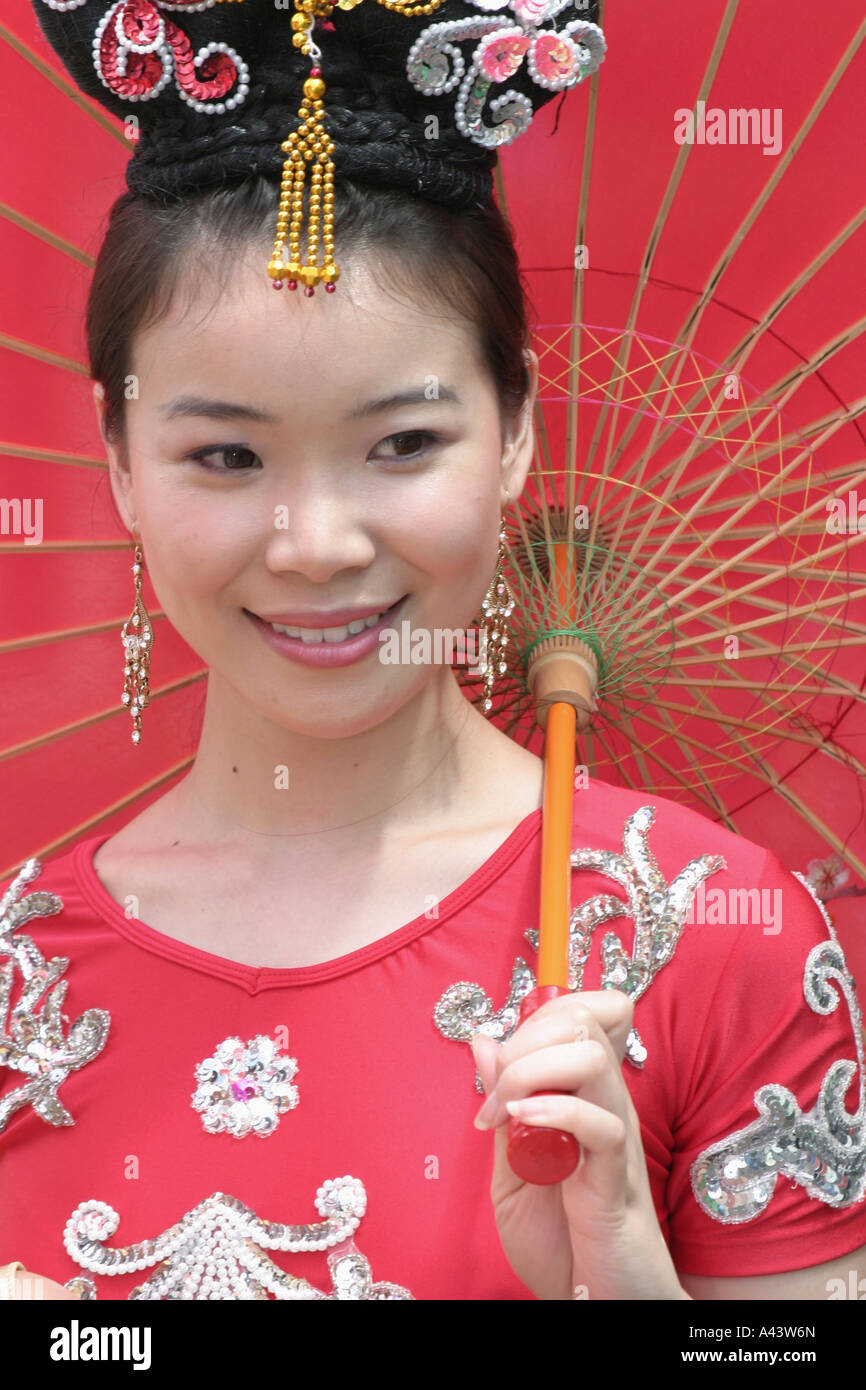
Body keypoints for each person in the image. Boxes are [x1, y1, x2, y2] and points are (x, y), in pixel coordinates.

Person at [1, 0, 864, 1302]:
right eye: (224, 454)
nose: (314, 544)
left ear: (513, 424)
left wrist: (628, 1278)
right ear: (120, 460)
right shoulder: (23, 978)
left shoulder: (709, 941)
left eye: (401, 443)